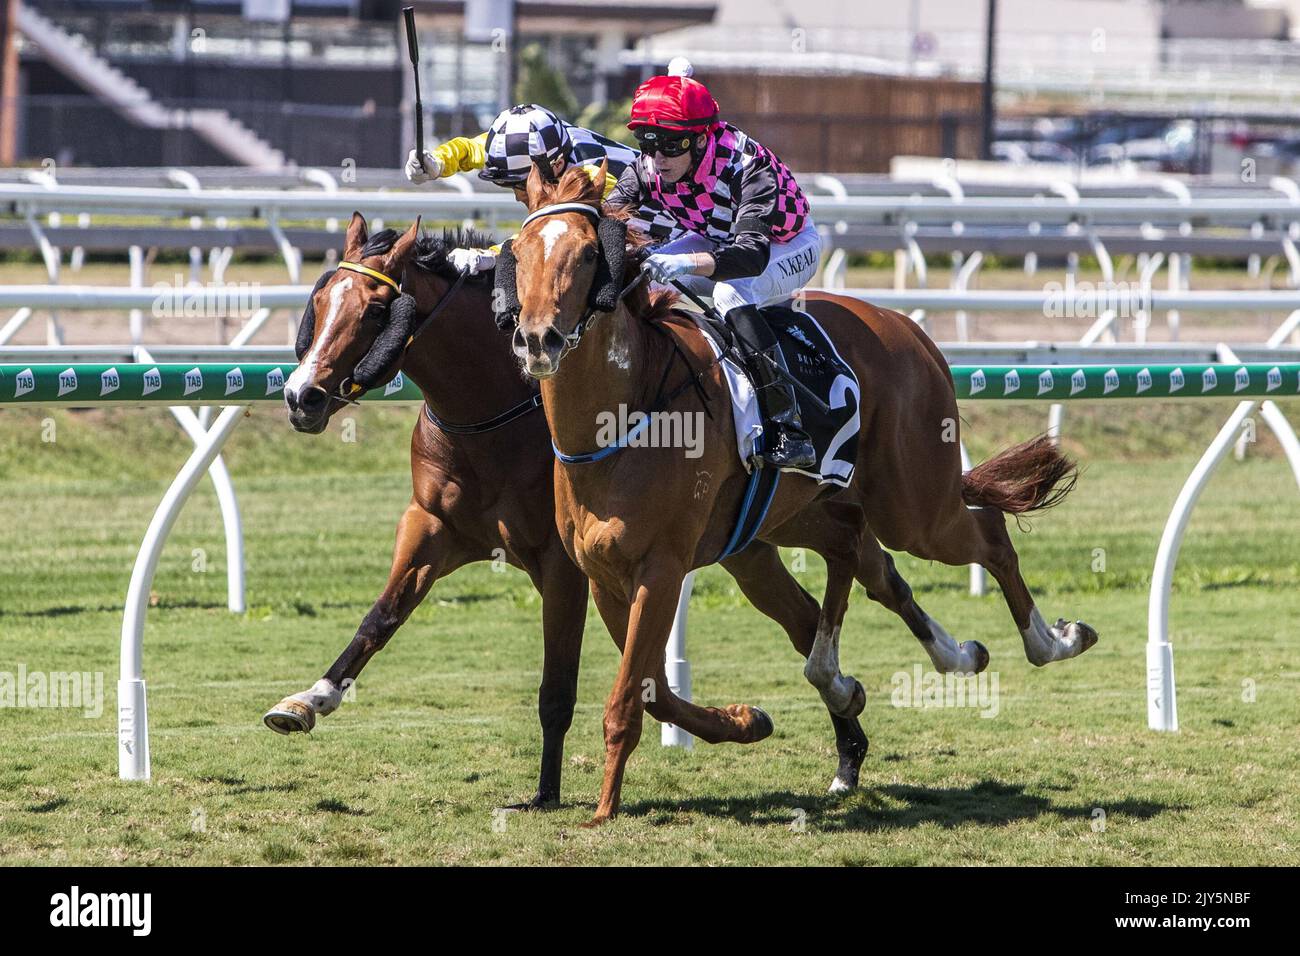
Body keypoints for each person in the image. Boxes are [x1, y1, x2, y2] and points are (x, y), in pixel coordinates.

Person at [606, 58, 820, 469]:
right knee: (638, 278)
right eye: (648, 143)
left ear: (702, 139)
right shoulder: (648, 167)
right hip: (717, 238)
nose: (658, 158)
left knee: (730, 290)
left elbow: (750, 256)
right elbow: (606, 218)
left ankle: (787, 423)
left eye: (672, 144)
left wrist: (685, 264)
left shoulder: (747, 166)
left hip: (785, 245)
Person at [404, 104, 643, 274]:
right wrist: (436, 163)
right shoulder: (544, 143)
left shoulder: (589, 178)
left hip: (661, 240)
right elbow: (470, 148)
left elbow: (549, 242)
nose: (519, 197)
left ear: (557, 166)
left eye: (521, 185)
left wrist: (489, 256)